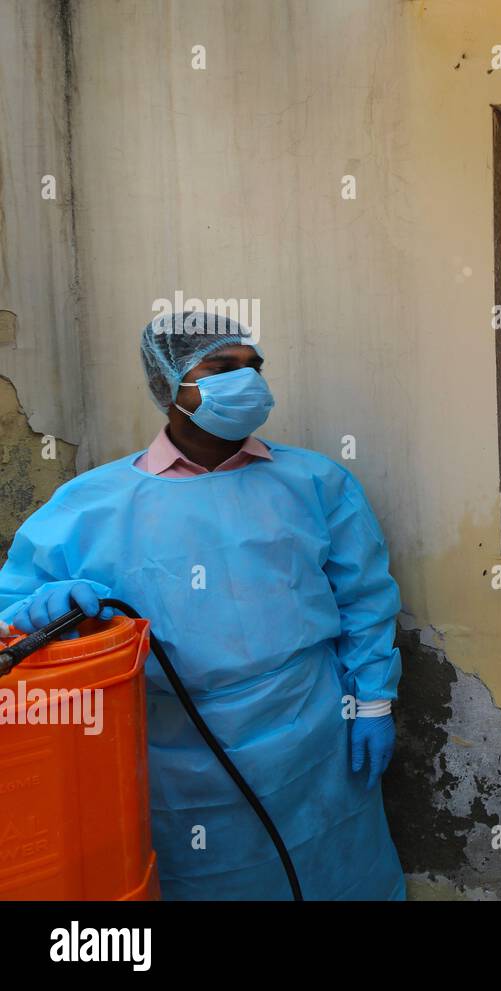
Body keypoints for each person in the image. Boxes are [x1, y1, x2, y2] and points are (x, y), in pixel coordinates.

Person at [0, 311, 405, 900]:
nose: (246, 382)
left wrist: (371, 704)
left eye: (252, 368)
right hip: (176, 752)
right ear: (169, 387)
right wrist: (44, 611)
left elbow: (364, 600)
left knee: (335, 871)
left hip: (311, 735)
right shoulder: (88, 505)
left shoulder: (317, 483)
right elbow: (10, 613)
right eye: (220, 368)